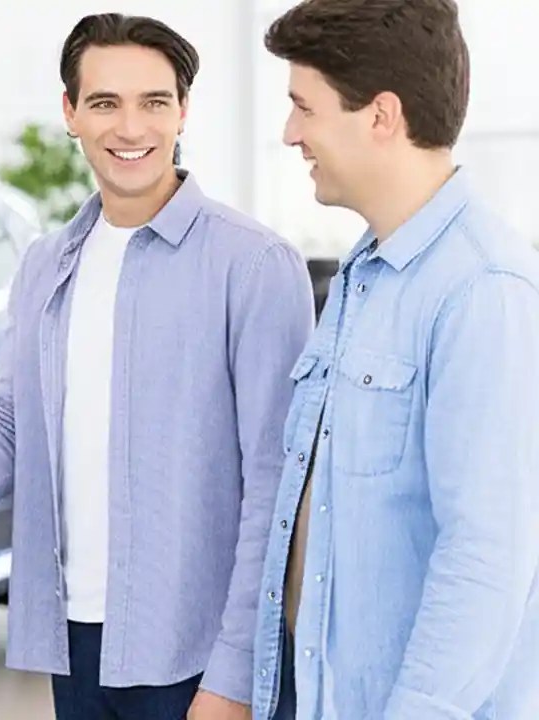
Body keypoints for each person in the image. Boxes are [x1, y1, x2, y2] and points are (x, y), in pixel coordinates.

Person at [0, 12, 314, 720]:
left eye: (154, 102)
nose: (131, 128)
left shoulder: (253, 265)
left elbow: (276, 487)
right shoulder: (45, 264)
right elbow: (8, 428)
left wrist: (237, 673)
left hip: (199, 653)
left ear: (183, 111)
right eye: (105, 103)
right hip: (76, 643)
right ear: (71, 113)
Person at [249, 1, 539, 718]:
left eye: (304, 108)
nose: (290, 133)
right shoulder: (366, 272)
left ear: (381, 115)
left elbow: (485, 560)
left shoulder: (483, 288)